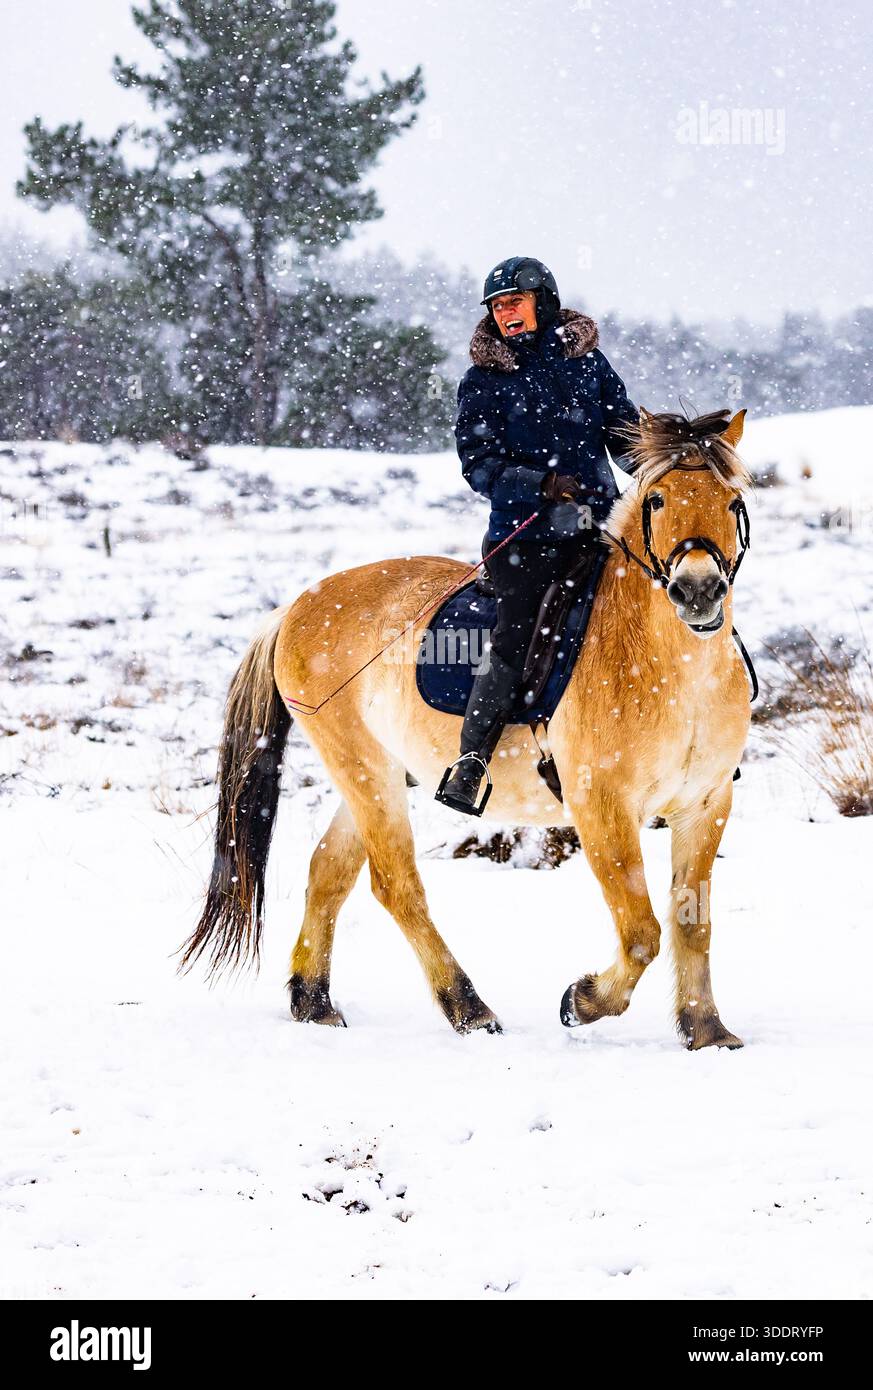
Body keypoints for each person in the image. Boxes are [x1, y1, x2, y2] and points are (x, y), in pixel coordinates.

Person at [435, 255, 640, 815]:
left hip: (599, 528)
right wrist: (540, 483)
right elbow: (478, 466)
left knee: (658, 602)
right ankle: (471, 760)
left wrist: (661, 460)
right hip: (525, 538)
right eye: (498, 306)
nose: (506, 314)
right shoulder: (482, 381)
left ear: (543, 302)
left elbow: (624, 436)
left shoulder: (589, 365)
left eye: (515, 302)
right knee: (516, 633)